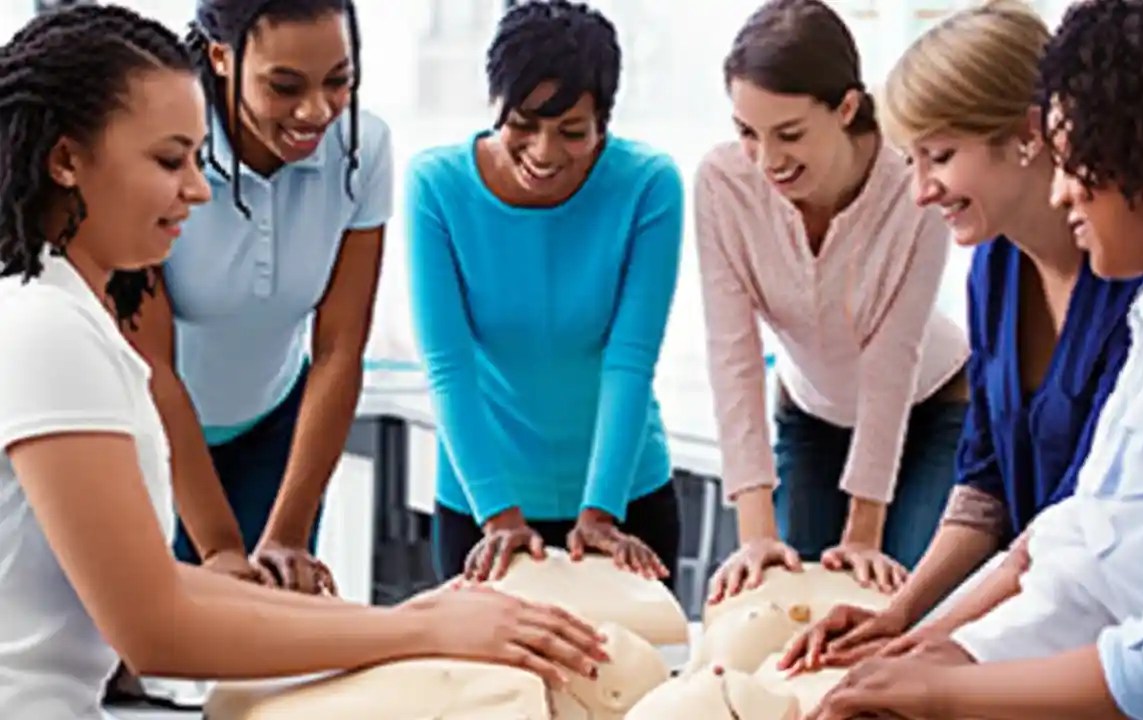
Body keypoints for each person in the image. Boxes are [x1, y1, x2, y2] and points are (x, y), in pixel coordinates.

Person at [0, 5, 604, 719]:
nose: (199, 188)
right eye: (170, 161)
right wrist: (418, 628)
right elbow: (155, 629)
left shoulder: (67, 318)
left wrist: (425, 617)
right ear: (66, 161)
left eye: (198, 156)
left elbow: (164, 585)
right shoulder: (45, 328)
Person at [805, 1, 1143, 718]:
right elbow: (1078, 548)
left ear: (1141, 151)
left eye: (1074, 156)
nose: (1063, 189)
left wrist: (948, 689)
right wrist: (937, 645)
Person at [777, 0, 1143, 673]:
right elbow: (985, 485)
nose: (920, 191)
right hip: (1040, 609)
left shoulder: (1136, 284)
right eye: (911, 160)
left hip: (1120, 641)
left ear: (1029, 135)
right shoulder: (994, 269)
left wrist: (930, 641)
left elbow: (1078, 524)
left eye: (939, 156)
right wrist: (897, 616)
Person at [697, 0, 970, 602]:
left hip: (933, 408)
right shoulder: (722, 184)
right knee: (781, 604)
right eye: (747, 133)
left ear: (846, 108)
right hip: (811, 415)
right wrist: (755, 534)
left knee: (896, 604)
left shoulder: (911, 178)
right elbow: (732, 354)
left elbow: (894, 352)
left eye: (789, 134)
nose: (767, 160)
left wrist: (864, 530)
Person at [405, 0, 684, 588]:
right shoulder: (438, 187)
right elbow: (448, 367)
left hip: (624, 499)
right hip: (483, 506)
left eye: (572, 131)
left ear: (605, 121)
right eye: (523, 125)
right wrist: (499, 516)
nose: (544, 152)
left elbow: (630, 361)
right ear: (494, 106)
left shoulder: (648, 186)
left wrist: (601, 511)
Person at [126, 0, 390, 595]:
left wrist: (289, 532)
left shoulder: (361, 150)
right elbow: (154, 369)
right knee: (140, 649)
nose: (316, 110)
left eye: (339, 81)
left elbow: (339, 349)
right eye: (285, 86)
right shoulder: (164, 155)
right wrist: (218, 547)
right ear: (221, 58)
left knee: (273, 623)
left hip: (277, 426)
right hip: (146, 425)